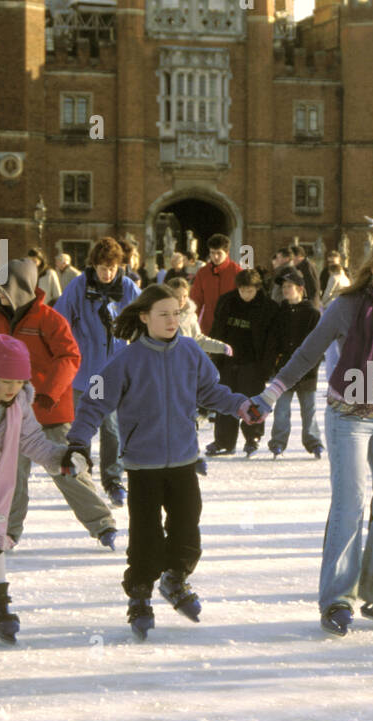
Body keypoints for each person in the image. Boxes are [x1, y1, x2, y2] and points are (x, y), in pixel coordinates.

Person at [250, 234, 373, 637]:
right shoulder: (345, 307)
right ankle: (337, 599)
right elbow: (309, 352)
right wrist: (273, 392)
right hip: (347, 416)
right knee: (350, 505)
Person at [66, 286, 260, 640]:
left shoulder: (189, 349)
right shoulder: (126, 360)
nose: (172, 320)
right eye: (163, 314)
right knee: (146, 536)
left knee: (188, 528)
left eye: (175, 313)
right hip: (143, 464)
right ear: (144, 317)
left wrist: (240, 405)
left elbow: (210, 392)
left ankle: (175, 578)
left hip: (184, 458)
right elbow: (94, 402)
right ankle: (139, 596)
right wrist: (77, 441)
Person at [0, 259, 119, 549]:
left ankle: (102, 523)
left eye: (5, 291)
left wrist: (49, 392)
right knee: (10, 476)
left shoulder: (49, 318)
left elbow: (69, 357)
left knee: (67, 471)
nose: (0, 297)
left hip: (50, 411)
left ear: (22, 289)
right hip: (10, 410)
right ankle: (7, 531)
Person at [0, 335, 77, 645]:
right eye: (6, 380)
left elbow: (31, 440)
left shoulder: (19, 402)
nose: (12, 388)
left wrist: (62, 457)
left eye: (20, 381)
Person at [52, 236, 140, 507]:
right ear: (94, 265)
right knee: (84, 427)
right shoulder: (79, 286)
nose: (107, 273)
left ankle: (113, 481)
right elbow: (60, 320)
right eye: (103, 267)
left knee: (112, 429)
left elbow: (146, 313)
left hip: (114, 371)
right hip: (86, 370)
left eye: (112, 267)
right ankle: (83, 478)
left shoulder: (126, 287)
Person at [206, 268, 278, 456]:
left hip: (253, 362)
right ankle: (223, 441)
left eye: (250, 291)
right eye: (243, 290)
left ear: (257, 288)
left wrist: (266, 367)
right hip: (228, 361)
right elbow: (217, 329)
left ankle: (252, 437)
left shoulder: (268, 307)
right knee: (225, 400)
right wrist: (215, 355)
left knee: (252, 400)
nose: (246, 295)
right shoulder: (227, 301)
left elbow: (272, 341)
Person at [267, 271, 324, 459]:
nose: (285, 290)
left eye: (289, 287)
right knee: (281, 409)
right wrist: (273, 364)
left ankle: (313, 441)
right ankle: (278, 442)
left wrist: (312, 367)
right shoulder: (278, 313)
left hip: (307, 371)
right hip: (284, 370)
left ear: (300, 289)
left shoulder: (312, 314)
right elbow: (273, 342)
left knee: (309, 409)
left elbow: (318, 344)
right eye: (283, 287)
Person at [190, 234, 241, 334]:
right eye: (212, 253)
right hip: (208, 326)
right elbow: (196, 300)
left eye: (219, 253)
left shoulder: (237, 272)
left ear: (227, 253)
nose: (215, 257)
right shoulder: (203, 272)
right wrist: (191, 322)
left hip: (231, 327)